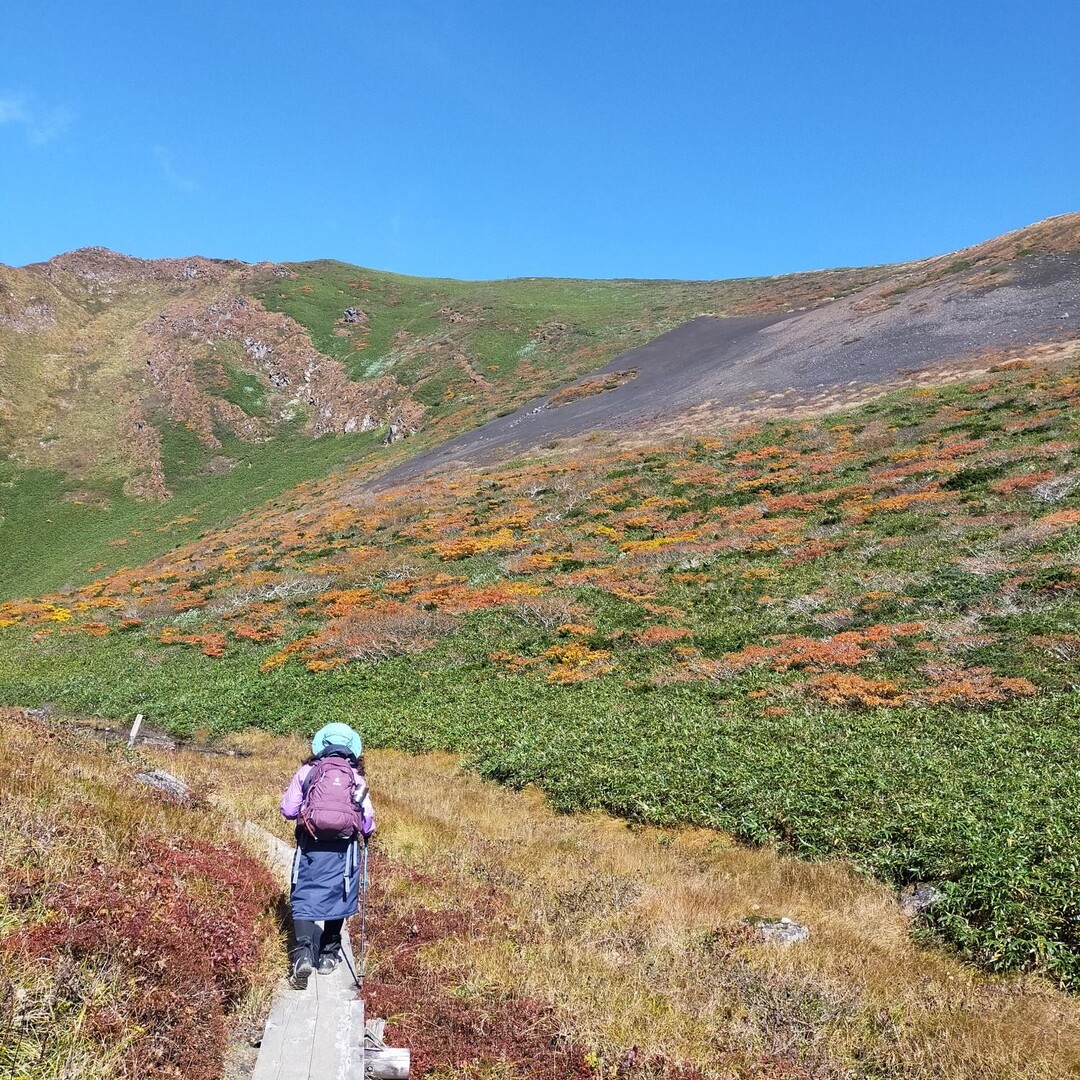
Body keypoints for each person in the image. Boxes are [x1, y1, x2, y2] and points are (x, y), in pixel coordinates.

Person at [279, 721, 375, 988]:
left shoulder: (307, 772)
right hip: (344, 852)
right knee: (340, 894)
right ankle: (328, 956)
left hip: (310, 846)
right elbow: (368, 823)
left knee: (305, 894)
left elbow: (288, 810)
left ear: (321, 745)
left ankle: (303, 954)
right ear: (352, 748)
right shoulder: (355, 778)